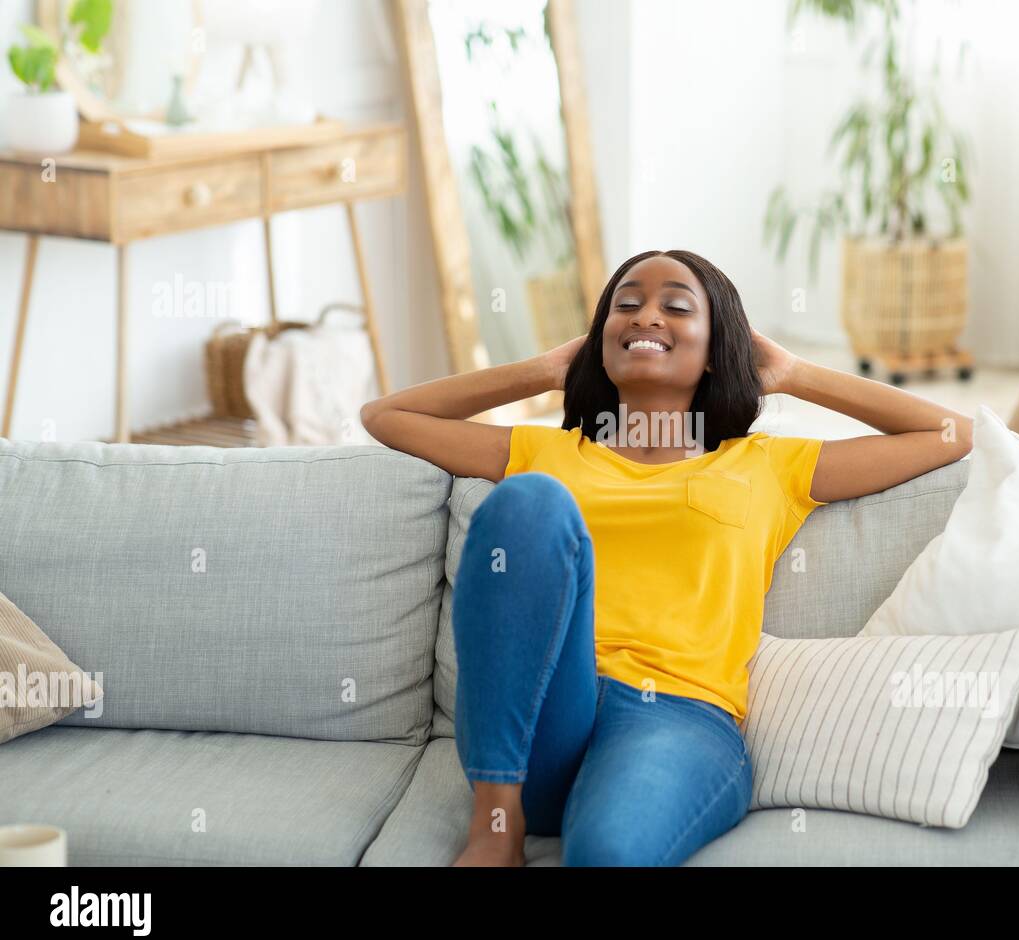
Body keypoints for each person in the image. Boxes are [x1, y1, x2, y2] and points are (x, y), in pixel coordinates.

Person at [362, 249, 973, 866]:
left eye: (676, 307)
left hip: (675, 719)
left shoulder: (767, 465)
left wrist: (794, 373)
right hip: (539, 725)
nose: (645, 316)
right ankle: (496, 830)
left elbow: (953, 434)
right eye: (625, 305)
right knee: (529, 504)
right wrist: (543, 371)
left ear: (717, 349)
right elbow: (385, 416)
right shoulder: (547, 451)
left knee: (609, 853)